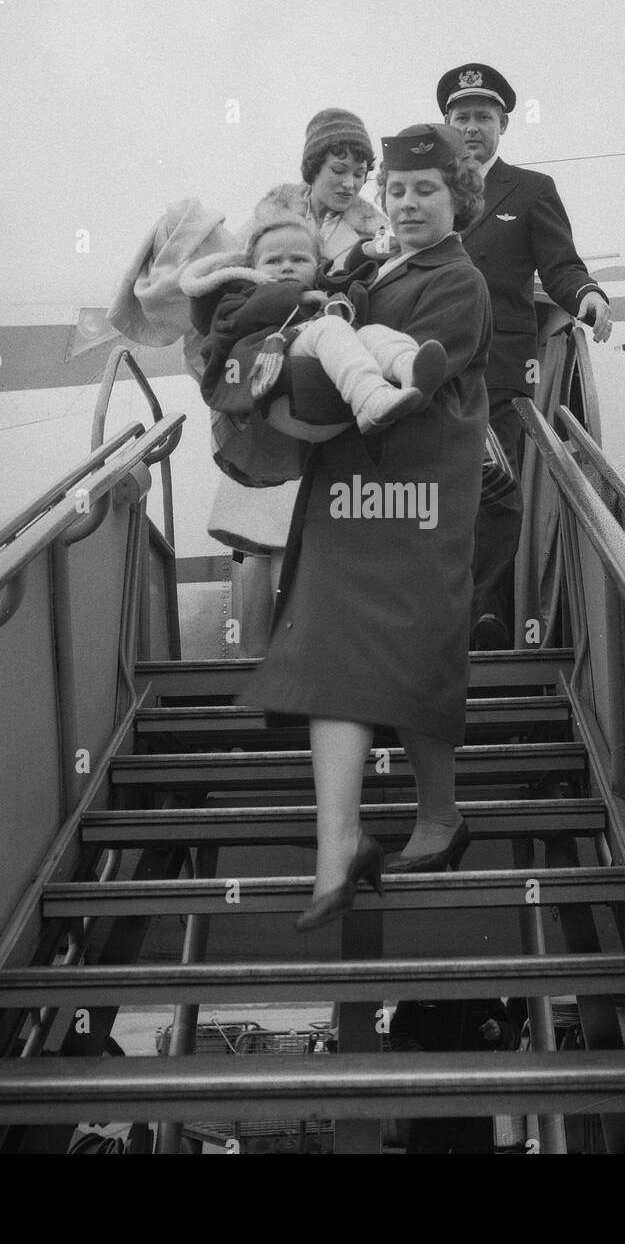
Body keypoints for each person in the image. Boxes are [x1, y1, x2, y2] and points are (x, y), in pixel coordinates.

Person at [239, 123, 491, 930]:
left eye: (428, 190)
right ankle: (337, 843)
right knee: (329, 661)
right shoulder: (371, 270)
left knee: (412, 656)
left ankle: (439, 817)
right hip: (351, 502)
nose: (409, 203)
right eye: (399, 191)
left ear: (458, 200)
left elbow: (416, 375)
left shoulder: (460, 282)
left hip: (410, 505)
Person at [436, 63, 613, 651]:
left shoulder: (531, 190)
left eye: (483, 117)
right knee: (433, 493)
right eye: (461, 117)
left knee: (495, 488)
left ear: (503, 124)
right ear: (446, 124)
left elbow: (559, 263)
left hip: (499, 371)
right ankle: (441, 620)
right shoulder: (423, 189)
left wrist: (585, 294)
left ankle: (486, 618)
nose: (472, 127)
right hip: (428, 369)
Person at [207, 109, 387, 653]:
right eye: (339, 168)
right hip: (255, 397)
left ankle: (292, 662)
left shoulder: (373, 228)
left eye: (359, 172)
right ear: (313, 165)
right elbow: (228, 292)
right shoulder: (269, 216)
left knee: (297, 538)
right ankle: (247, 659)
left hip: (314, 403)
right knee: (250, 544)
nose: (350, 183)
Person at [180, 213, 447, 436]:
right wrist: (297, 296)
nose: (286, 267)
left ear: (317, 265)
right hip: (271, 370)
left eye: (299, 260)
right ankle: (370, 400)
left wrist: (368, 253)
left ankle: (411, 371)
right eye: (273, 261)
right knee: (329, 328)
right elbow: (237, 319)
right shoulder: (241, 295)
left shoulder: (322, 289)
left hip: (315, 375)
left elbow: (346, 279)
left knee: (371, 333)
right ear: (253, 267)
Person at [388, 998, 516, 1154]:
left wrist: (500, 1031)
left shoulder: (479, 984)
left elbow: (511, 1033)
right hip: (432, 1094)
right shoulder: (421, 984)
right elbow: (399, 1033)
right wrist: (424, 1061)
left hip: (471, 1096)